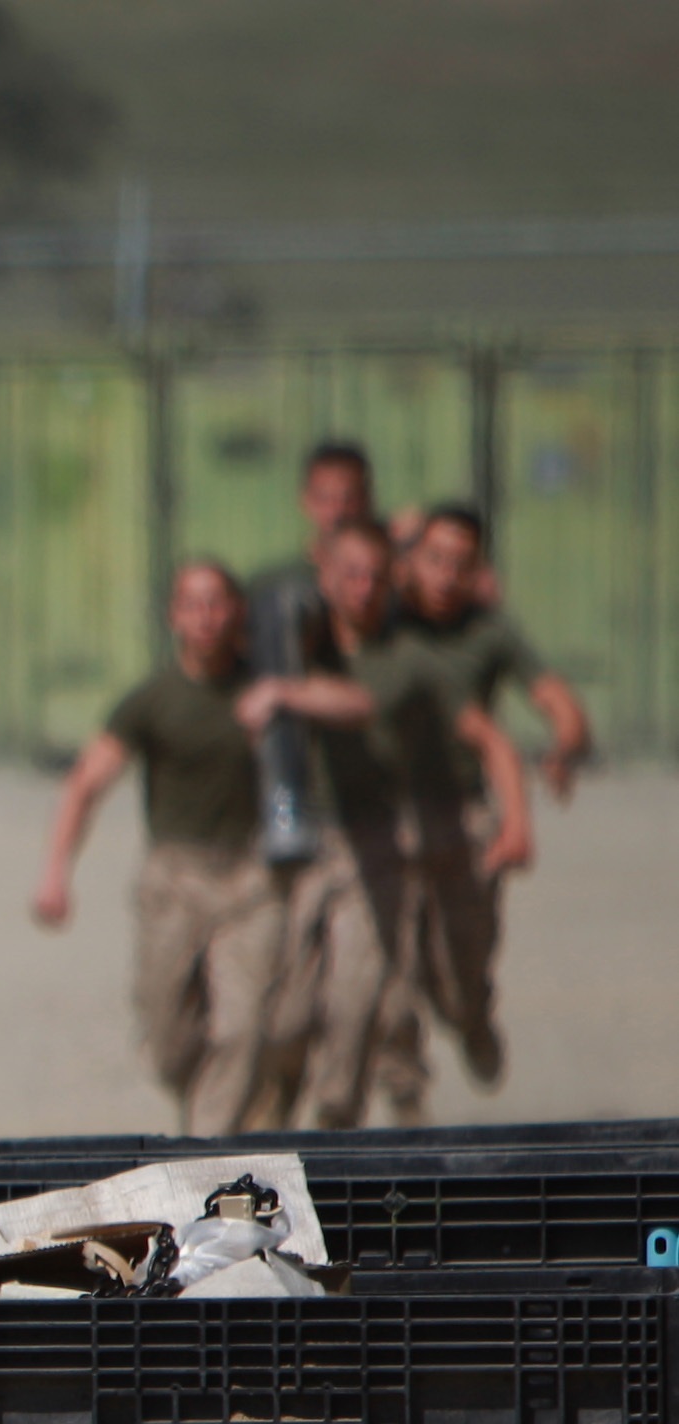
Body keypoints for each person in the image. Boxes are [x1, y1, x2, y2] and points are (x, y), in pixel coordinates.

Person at [261, 516, 533, 1133]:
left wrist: (516, 822)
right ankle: (278, 1104)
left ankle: (342, 1126)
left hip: (381, 846)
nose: (362, 588)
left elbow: (489, 740)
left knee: (369, 997)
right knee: (284, 1014)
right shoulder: (289, 646)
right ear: (323, 577)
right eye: (349, 574)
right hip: (308, 847)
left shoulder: (407, 661)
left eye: (375, 577)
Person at [29, 560, 285, 1135]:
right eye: (192, 604)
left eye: (217, 602)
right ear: (174, 615)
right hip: (174, 878)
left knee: (240, 1027)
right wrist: (55, 874)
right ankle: (215, 1098)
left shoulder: (270, 692)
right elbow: (85, 785)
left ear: (237, 612)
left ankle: (207, 1142)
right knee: (167, 1041)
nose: (206, 617)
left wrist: (284, 711)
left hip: (250, 880)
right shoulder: (153, 700)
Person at [386, 503, 579, 1095]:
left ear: (478, 571)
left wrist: (564, 746)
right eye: (434, 559)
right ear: (410, 563)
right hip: (388, 820)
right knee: (386, 971)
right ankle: (404, 1090)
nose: (445, 575)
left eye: (460, 564)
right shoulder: (380, 621)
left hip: (464, 819)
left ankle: (471, 1018)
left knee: (458, 971)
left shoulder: (489, 630)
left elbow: (555, 700)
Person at [241, 439, 379, 873]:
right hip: (304, 749)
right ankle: (286, 798)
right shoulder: (278, 583)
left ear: (368, 501)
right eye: (326, 498)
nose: (337, 511)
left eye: (349, 498)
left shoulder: (388, 574)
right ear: (306, 502)